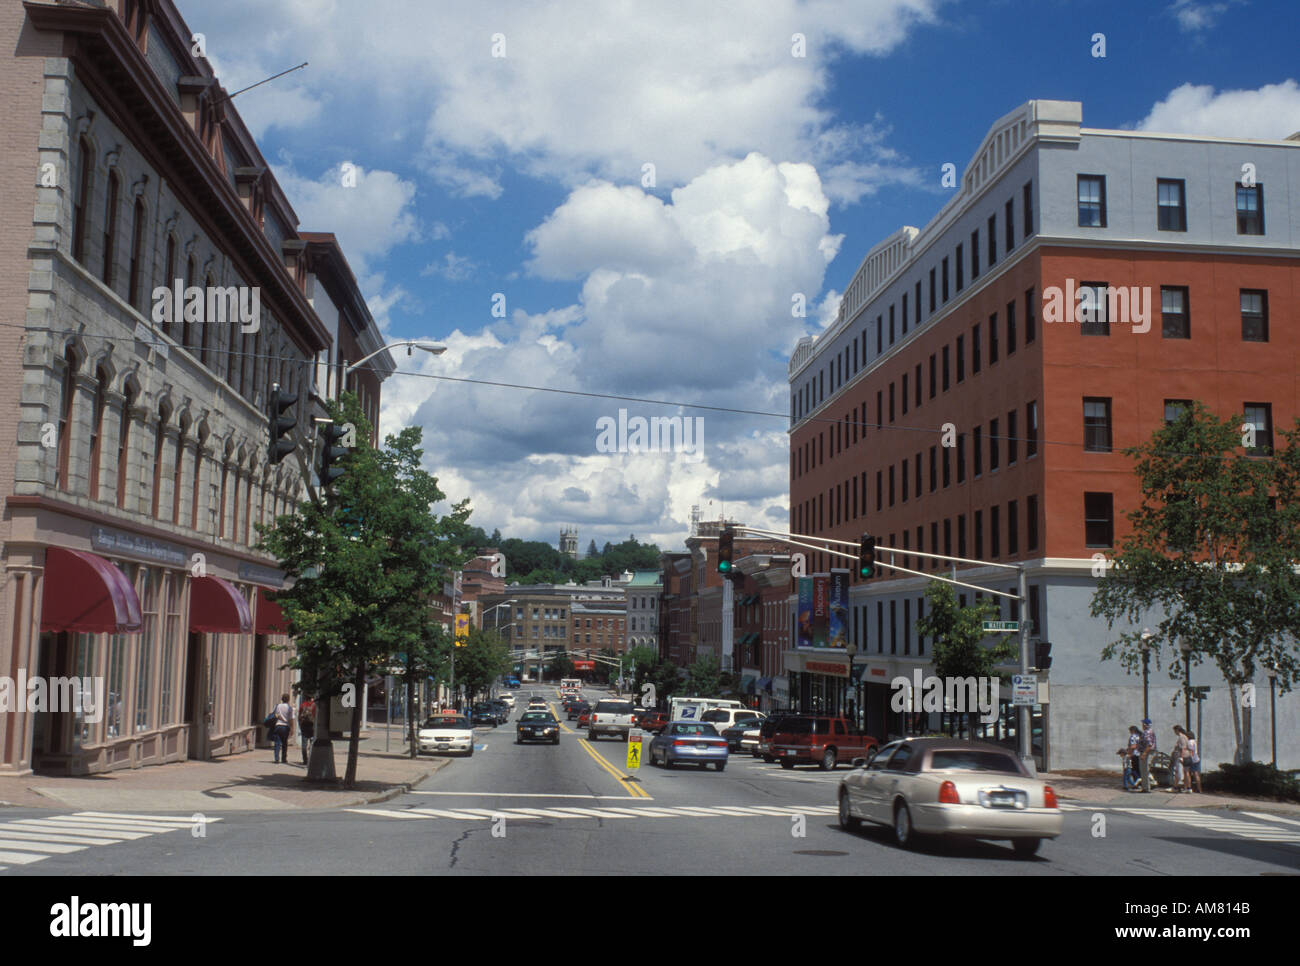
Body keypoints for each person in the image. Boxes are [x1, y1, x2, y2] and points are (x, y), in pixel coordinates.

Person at [272, 692, 294, 764]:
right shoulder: (289, 708)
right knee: (284, 743)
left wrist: (280, 718)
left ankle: (276, 758)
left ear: (282, 699)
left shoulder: (278, 706)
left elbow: (275, 714)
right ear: (288, 699)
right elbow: (291, 719)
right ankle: (284, 758)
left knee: (277, 742)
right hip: (285, 727)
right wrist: (292, 728)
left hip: (278, 725)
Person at [1139, 718, 1157, 792]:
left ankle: (1146, 787)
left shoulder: (1147, 733)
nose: (1142, 725)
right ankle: (1147, 785)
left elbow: (1149, 744)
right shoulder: (1150, 731)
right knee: (1145, 769)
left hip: (1147, 752)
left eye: (1143, 724)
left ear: (1145, 725)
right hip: (1149, 752)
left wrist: (1144, 753)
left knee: (1145, 769)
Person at [298, 697, 316, 765]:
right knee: (312, 744)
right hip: (312, 726)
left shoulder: (302, 705)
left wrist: (300, 725)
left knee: (304, 745)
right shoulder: (314, 705)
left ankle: (305, 760)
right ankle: (311, 759)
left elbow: (299, 717)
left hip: (304, 726)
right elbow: (316, 716)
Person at [1170, 725, 1188, 791]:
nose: (1174, 732)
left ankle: (1179, 786)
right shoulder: (1181, 737)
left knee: (1179, 772)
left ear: (1177, 730)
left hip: (1180, 756)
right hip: (1178, 756)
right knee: (1178, 772)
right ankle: (1176, 786)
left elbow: (1183, 748)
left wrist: (1182, 757)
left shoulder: (1182, 737)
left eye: (1174, 731)